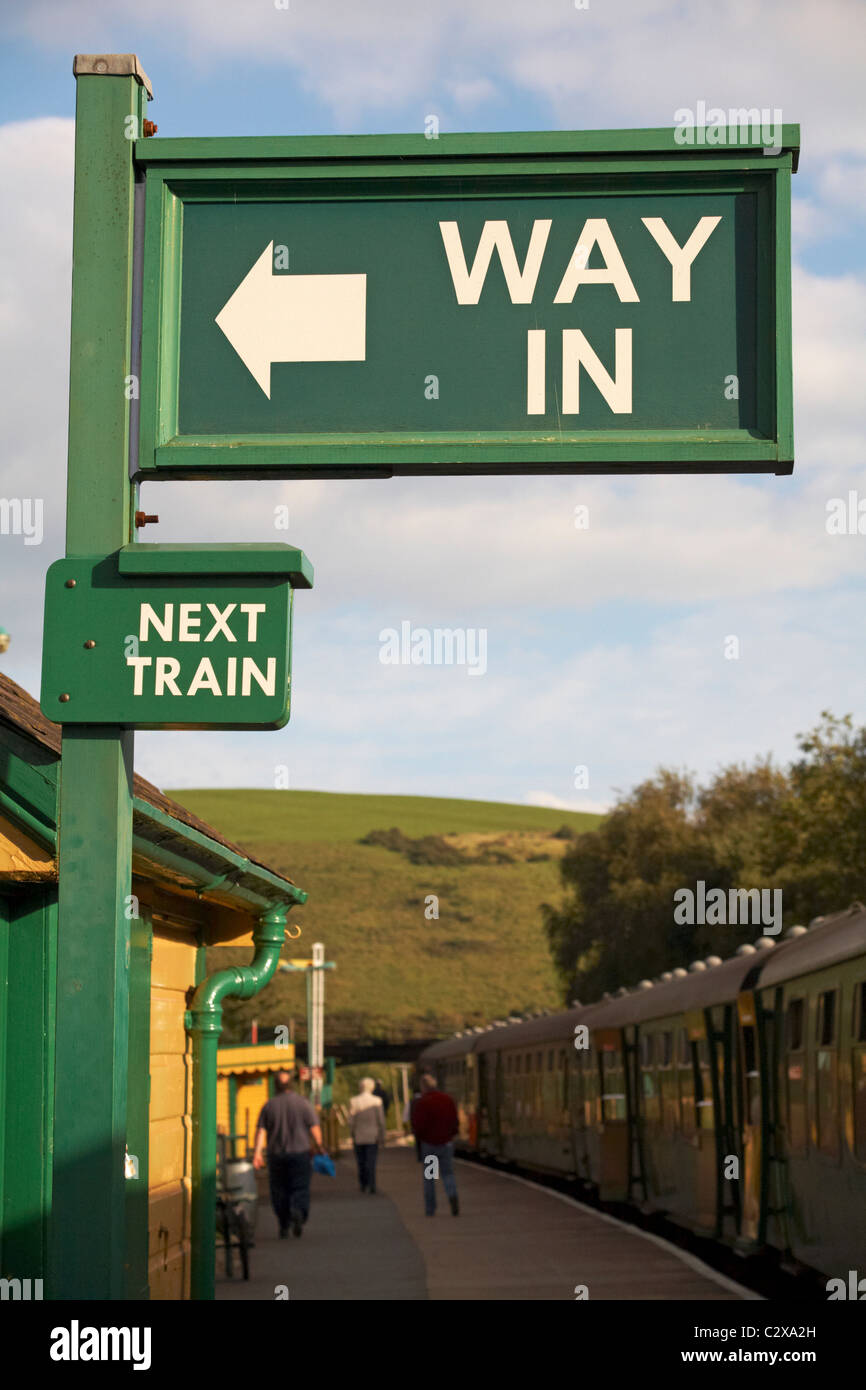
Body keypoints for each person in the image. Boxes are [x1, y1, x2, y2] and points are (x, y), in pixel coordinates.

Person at [253, 1069, 325, 1238]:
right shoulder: (303, 1103)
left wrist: (257, 1153)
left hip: (276, 1154)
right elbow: (314, 1128)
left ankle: (284, 1223)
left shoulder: (269, 1105)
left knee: (278, 1189)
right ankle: (298, 1210)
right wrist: (320, 1146)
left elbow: (261, 1132)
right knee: (300, 1186)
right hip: (300, 1153)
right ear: (291, 1085)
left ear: (275, 1086)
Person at [411, 1073, 459, 1216]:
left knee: (430, 1177)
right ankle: (453, 1197)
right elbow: (455, 1121)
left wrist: (421, 1139)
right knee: (448, 1174)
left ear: (423, 1087)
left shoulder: (423, 1103)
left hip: (430, 1145)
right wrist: (450, 1135)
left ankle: (430, 1208)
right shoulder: (447, 1100)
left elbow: (418, 1126)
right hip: (446, 1144)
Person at [348, 1077, 386, 1194]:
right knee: (371, 1162)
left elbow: (351, 1120)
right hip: (372, 1136)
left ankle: (363, 1184)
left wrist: (352, 1133)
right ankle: (372, 1184)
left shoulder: (354, 1101)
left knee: (361, 1162)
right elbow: (381, 1121)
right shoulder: (377, 1101)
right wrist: (382, 1136)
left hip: (359, 1136)